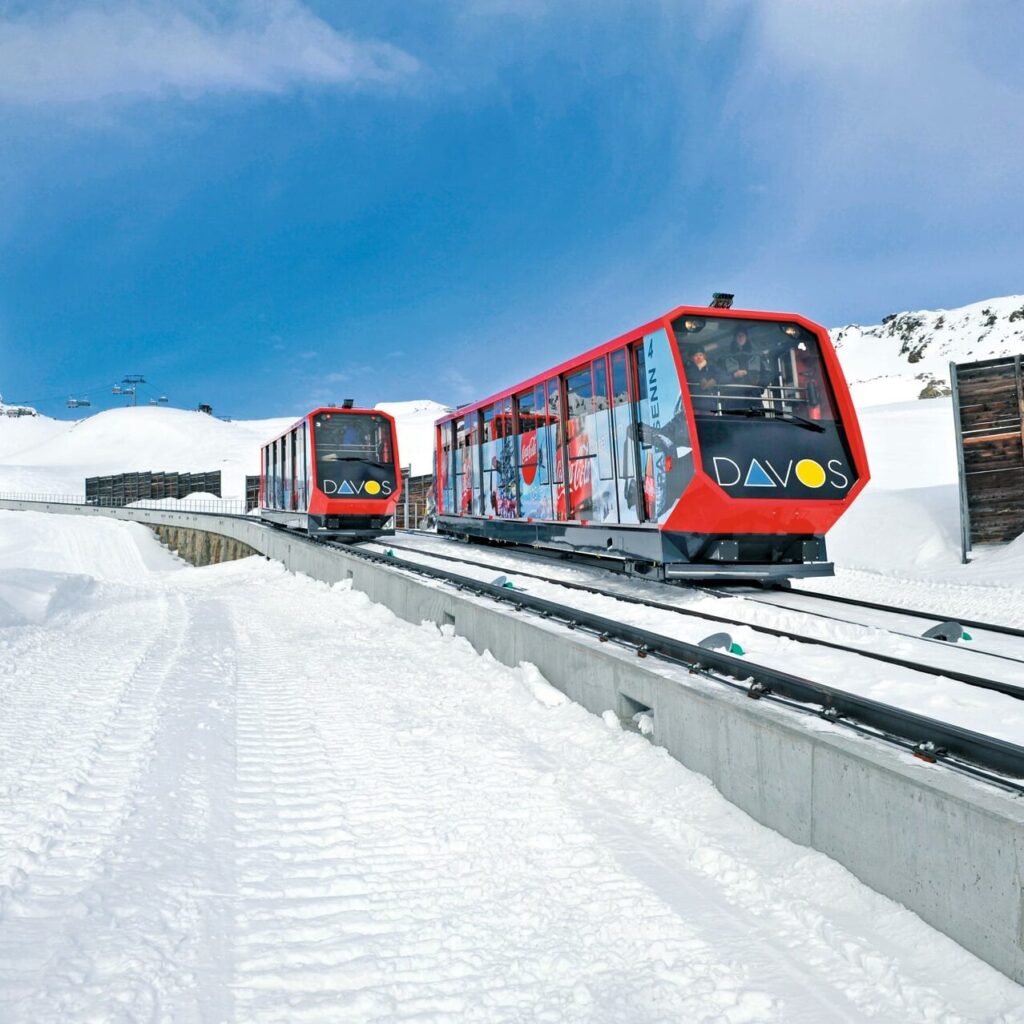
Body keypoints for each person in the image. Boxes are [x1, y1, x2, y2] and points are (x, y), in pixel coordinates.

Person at [722, 330, 767, 411]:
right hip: (732, 398)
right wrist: (734, 375)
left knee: (756, 421)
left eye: (742, 335)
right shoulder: (725, 358)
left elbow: (768, 373)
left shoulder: (758, 356)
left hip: (753, 396)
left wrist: (760, 386)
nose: (740, 338)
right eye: (738, 336)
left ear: (747, 338)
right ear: (734, 338)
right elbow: (719, 376)